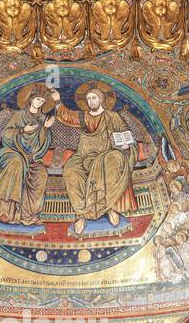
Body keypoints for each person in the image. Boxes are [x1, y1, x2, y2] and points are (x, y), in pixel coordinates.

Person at [52, 82, 136, 236]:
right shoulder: (84, 116)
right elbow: (67, 116)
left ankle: (109, 207)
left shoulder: (113, 117)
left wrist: (126, 145)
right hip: (84, 155)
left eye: (94, 97)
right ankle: (81, 214)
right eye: (88, 98)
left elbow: (125, 133)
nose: (91, 101)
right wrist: (58, 100)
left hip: (107, 153)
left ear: (101, 99)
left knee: (113, 159)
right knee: (70, 170)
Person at [0, 84, 55, 224]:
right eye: (37, 99)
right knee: (16, 163)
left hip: (30, 158)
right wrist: (23, 130)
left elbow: (43, 146)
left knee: (41, 173)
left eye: (42, 101)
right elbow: (6, 134)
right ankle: (3, 210)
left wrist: (46, 130)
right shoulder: (18, 115)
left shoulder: (43, 120)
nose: (39, 103)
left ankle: (27, 214)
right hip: (10, 151)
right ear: (30, 99)